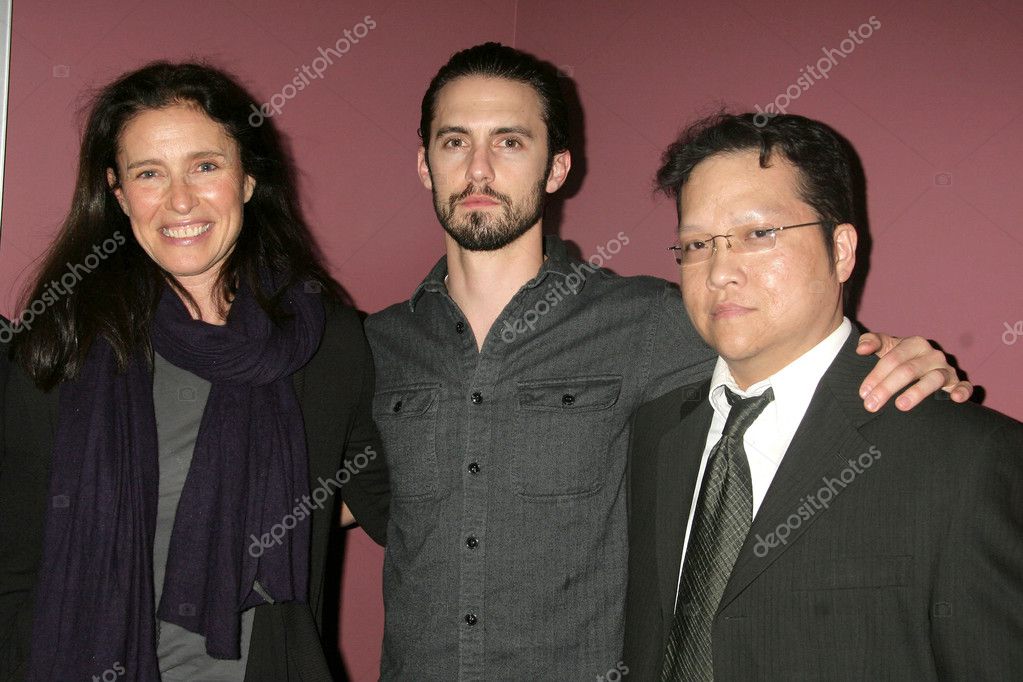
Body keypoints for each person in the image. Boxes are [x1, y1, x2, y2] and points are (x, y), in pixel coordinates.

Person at [364, 43, 972, 681]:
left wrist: (892, 357)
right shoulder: (375, 346)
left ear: (556, 167)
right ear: (425, 164)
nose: (479, 169)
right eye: (455, 141)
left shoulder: (652, 320)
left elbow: (786, 345)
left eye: (511, 142)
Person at [0, 62, 389, 681]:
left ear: (248, 177)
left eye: (206, 166)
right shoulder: (62, 342)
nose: (180, 200)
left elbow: (396, 497)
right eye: (149, 173)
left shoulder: (328, 342)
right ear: (119, 192)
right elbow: (14, 567)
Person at [623, 112, 1023, 680]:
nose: (719, 272)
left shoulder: (966, 458)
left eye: (758, 234)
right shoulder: (650, 434)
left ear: (840, 250)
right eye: (695, 244)